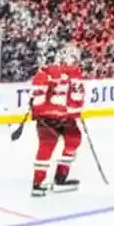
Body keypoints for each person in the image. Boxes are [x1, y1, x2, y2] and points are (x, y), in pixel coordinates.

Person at [29, 56, 85, 197]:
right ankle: (49, 179)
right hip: (57, 118)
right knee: (59, 143)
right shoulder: (63, 74)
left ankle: (48, 180)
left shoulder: (44, 74)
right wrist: (75, 111)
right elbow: (76, 99)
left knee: (62, 143)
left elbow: (35, 100)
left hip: (55, 118)